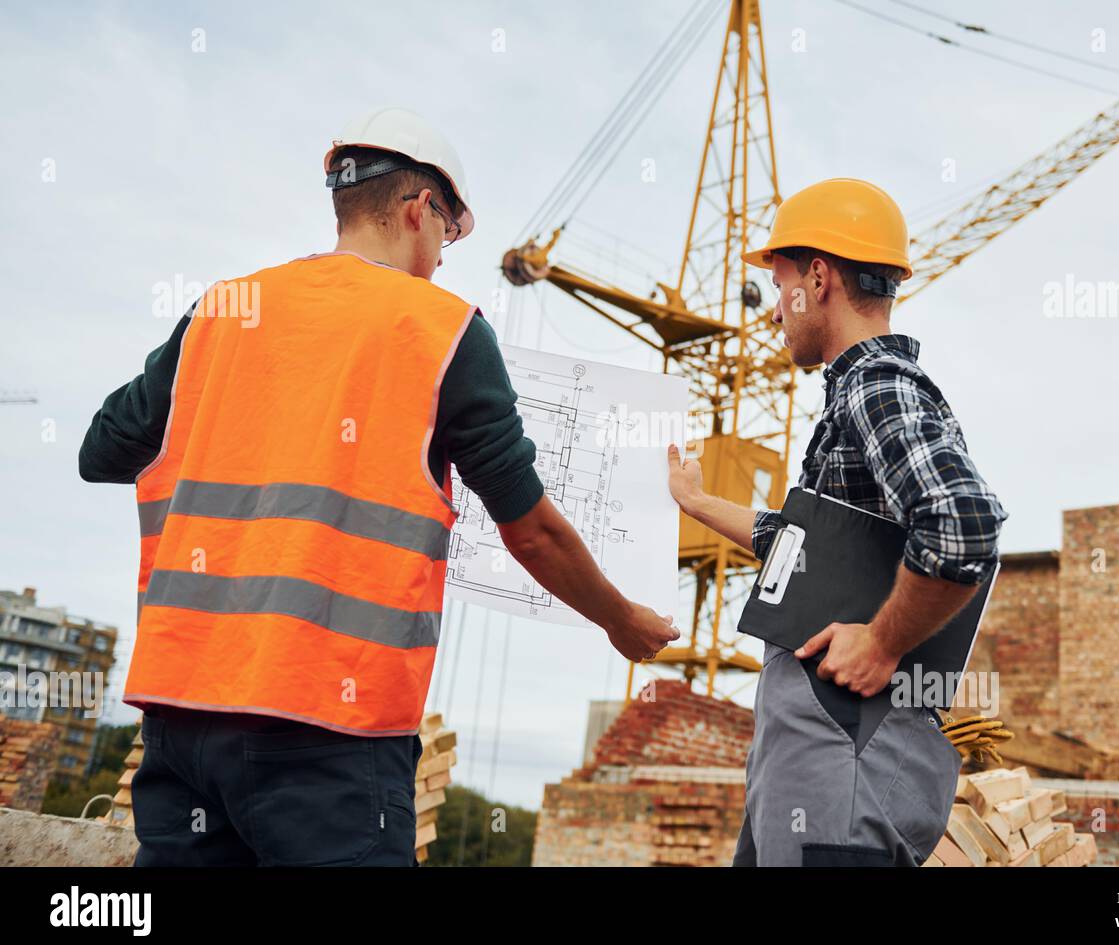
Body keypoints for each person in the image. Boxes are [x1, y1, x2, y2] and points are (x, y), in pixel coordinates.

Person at [79, 107, 678, 866]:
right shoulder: (442, 329)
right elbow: (528, 527)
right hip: (331, 727)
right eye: (450, 234)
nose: (444, 257)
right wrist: (619, 619)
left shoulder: (223, 310)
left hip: (183, 715)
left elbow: (104, 449)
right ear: (418, 208)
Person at [665, 178, 1007, 866]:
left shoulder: (878, 386)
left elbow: (964, 524)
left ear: (818, 278)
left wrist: (882, 642)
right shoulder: (859, 393)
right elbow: (809, 552)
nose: (773, 311)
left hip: (846, 763)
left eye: (781, 281)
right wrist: (698, 503)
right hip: (822, 760)